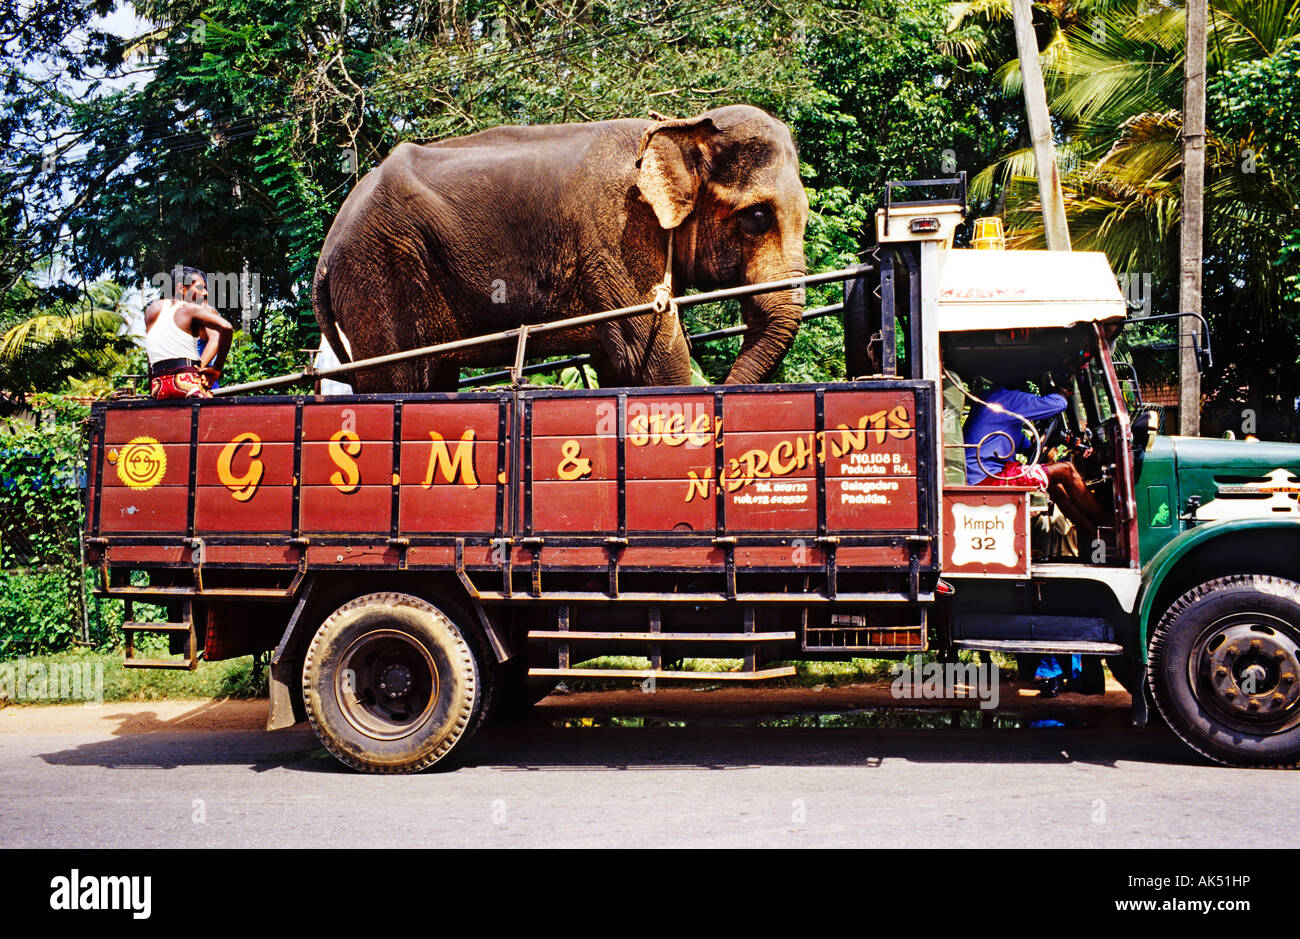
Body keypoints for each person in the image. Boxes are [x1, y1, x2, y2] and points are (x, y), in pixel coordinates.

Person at [144, 267, 233, 399]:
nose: (205, 293)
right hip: (187, 383)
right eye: (200, 288)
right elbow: (226, 328)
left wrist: (152, 387)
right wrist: (216, 368)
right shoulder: (192, 309)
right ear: (181, 288)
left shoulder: (152, 309)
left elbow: (150, 355)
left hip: (158, 386)